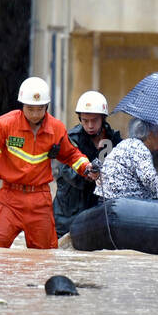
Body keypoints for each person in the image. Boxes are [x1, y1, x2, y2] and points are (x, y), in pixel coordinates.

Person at [0, 77, 97, 249]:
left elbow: (71, 155)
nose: (34, 114)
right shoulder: (5, 125)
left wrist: (87, 168)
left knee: (44, 257)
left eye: (39, 109)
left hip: (40, 200)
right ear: (22, 106)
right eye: (29, 109)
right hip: (10, 198)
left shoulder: (56, 129)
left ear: (46, 107)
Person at [52, 90, 121, 236]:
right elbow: (68, 170)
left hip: (98, 209)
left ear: (103, 119)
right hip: (68, 213)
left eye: (94, 120)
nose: (90, 125)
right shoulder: (71, 139)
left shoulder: (113, 139)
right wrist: (90, 175)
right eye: (85, 120)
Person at [95, 118, 158, 202]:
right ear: (150, 135)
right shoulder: (140, 148)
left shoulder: (128, 143)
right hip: (120, 202)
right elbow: (149, 178)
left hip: (108, 199)